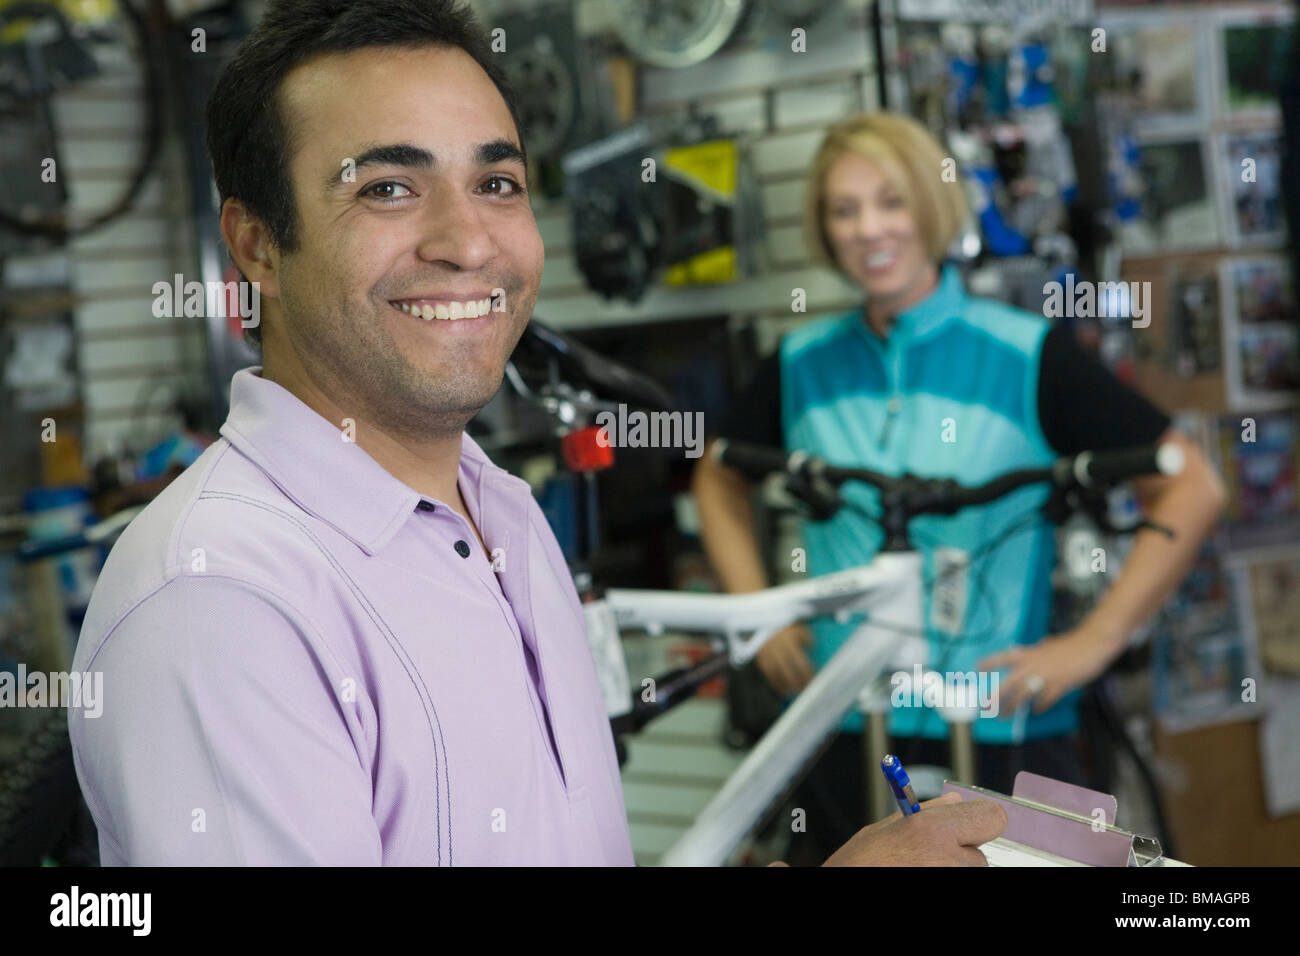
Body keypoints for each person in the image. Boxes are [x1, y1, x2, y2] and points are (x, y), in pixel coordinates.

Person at [67, 1, 1005, 866]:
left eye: (499, 181)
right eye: (389, 187)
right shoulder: (221, 602)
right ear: (257, 244)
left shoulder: (505, 519)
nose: (468, 241)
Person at [692, 111, 1226, 865]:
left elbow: (1191, 484)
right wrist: (760, 619)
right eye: (844, 210)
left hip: (1008, 733)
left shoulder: (1025, 353)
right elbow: (717, 480)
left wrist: (1090, 644)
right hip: (845, 730)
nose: (868, 229)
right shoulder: (799, 363)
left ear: (932, 207)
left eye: (890, 201)